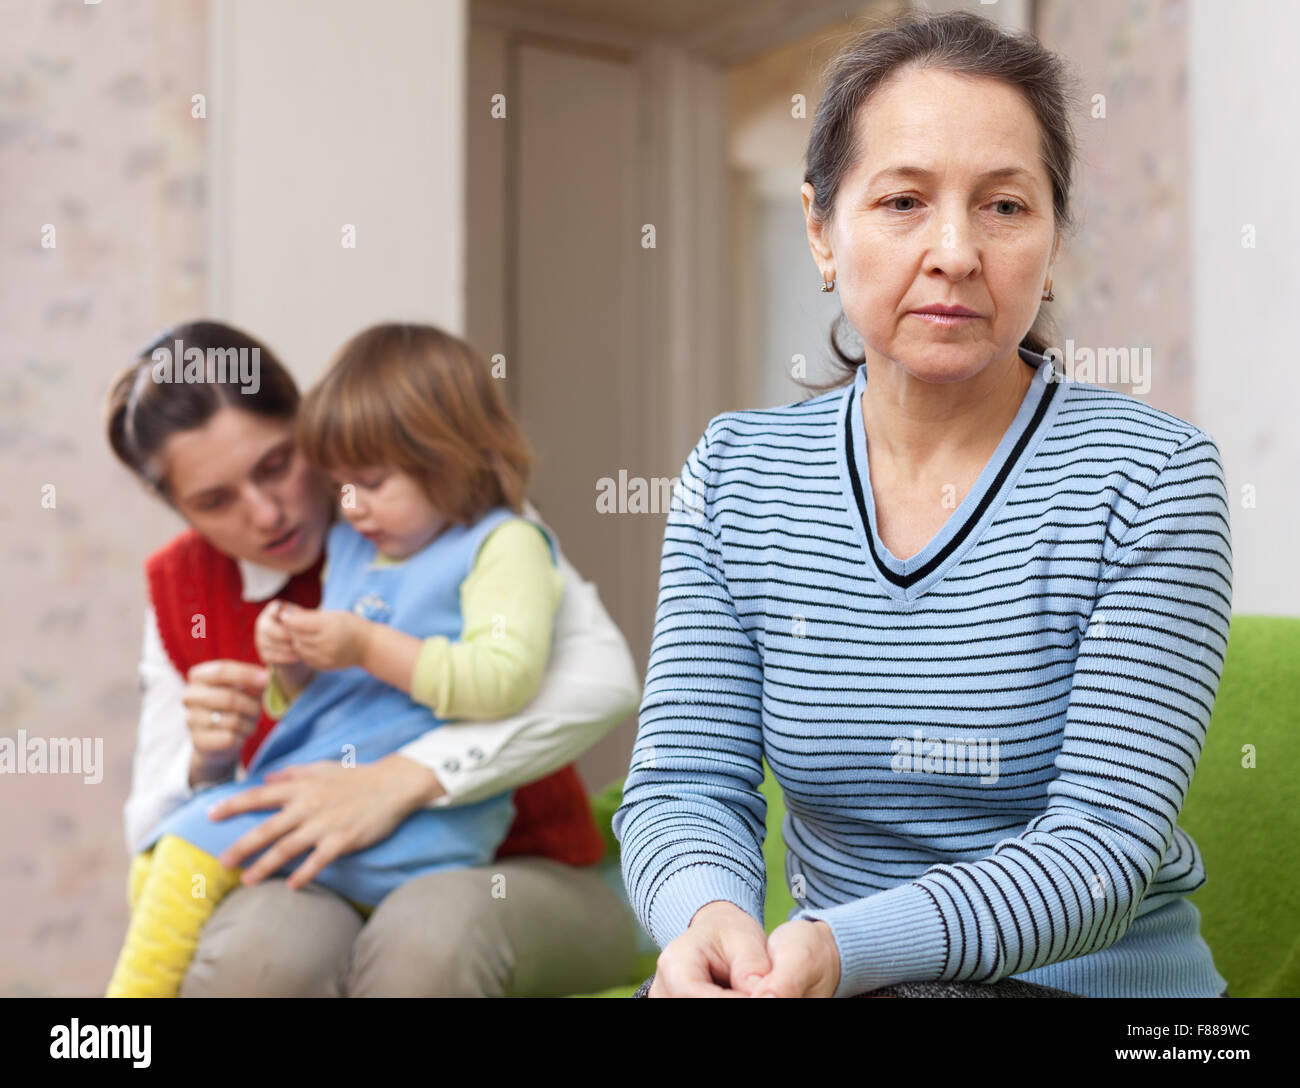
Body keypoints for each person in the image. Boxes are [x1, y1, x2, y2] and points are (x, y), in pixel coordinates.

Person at [613, 11, 1233, 999]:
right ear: (821, 228)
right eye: (903, 200)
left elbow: (1101, 849)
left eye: (1003, 207)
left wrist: (836, 947)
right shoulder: (736, 474)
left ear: (1053, 237)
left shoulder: (1150, 478)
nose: (954, 251)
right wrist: (714, 925)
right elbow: (684, 785)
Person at [106, 320, 641, 996]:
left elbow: (603, 680)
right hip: (334, 876)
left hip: (520, 867)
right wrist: (209, 760)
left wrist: (405, 778)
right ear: (177, 507)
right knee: (260, 953)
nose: (266, 513)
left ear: (305, 426)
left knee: (427, 938)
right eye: (215, 501)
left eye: (276, 465)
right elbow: (156, 834)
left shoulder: (443, 508)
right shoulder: (183, 588)